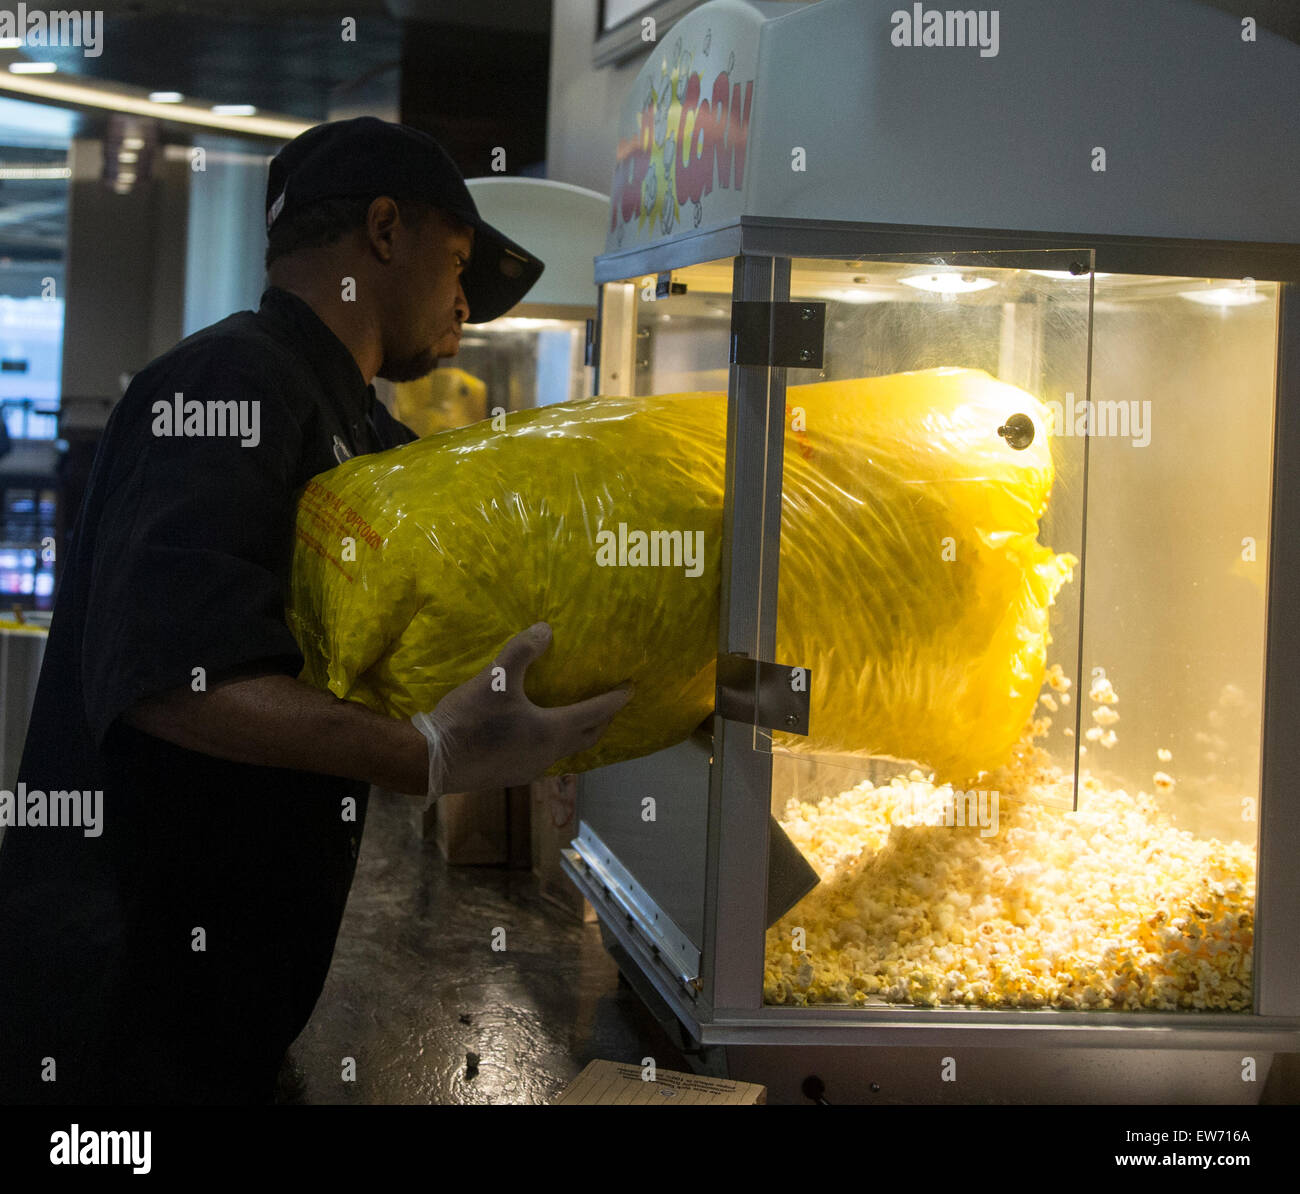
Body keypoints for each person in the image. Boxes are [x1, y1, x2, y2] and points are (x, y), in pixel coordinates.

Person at [0, 117, 630, 1105]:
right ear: (385, 231)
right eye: (458, 263)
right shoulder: (232, 383)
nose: (466, 304)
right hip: (127, 1010)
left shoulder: (353, 419)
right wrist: (422, 753)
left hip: (226, 999)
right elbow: (177, 683)